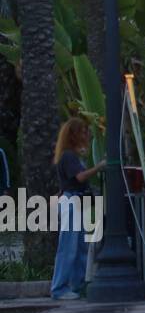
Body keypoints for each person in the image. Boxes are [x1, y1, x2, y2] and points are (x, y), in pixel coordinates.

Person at [50, 117, 105, 299]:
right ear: (73, 135)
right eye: (82, 131)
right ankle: (60, 288)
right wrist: (99, 167)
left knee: (80, 245)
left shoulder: (72, 155)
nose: (86, 134)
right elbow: (80, 177)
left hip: (78, 201)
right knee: (69, 246)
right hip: (72, 201)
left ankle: (77, 284)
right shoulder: (69, 156)